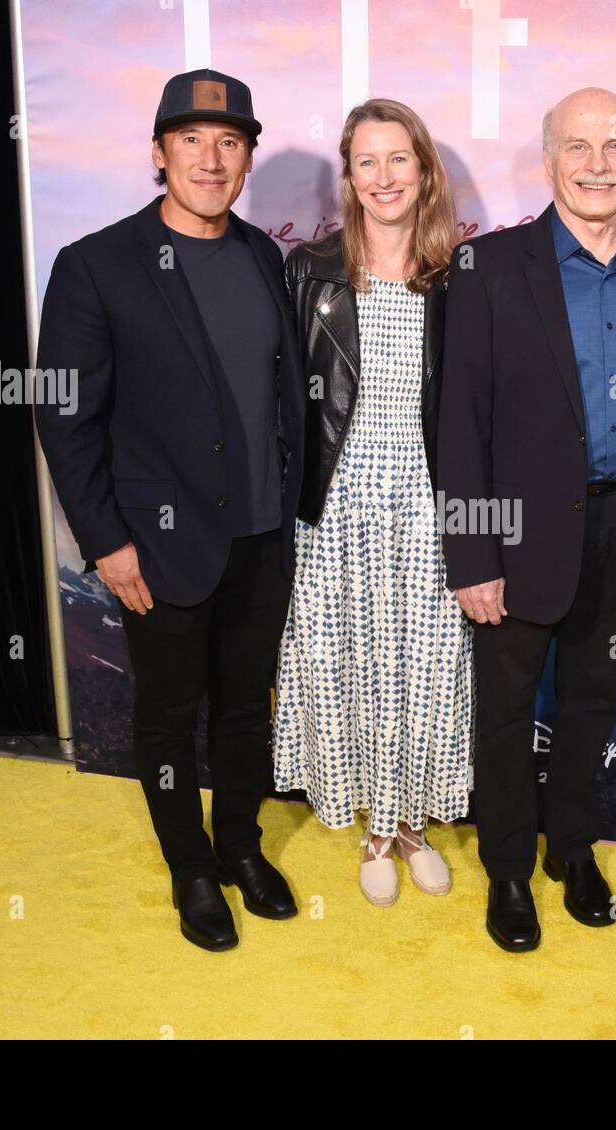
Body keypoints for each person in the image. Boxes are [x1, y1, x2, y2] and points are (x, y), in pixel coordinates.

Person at [34, 69, 305, 951]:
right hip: (156, 545)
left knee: (242, 711)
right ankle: (189, 868)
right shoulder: (96, 264)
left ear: (247, 157)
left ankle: (238, 847)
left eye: (229, 142)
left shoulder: (266, 256)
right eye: (190, 139)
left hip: (262, 536)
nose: (211, 157)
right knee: (165, 716)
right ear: (159, 153)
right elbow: (64, 417)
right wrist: (106, 540)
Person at [438, 87, 616, 952]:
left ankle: (574, 849)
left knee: (594, 701)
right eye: (579, 146)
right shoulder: (492, 267)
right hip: (513, 536)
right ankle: (510, 870)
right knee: (508, 710)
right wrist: (472, 553)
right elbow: (459, 421)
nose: (598, 163)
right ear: (549, 161)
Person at [272, 99, 472, 907]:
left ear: (424, 170)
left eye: (401, 160)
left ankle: (411, 822)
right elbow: (285, 399)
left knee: (422, 663)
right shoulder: (311, 271)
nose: (385, 177)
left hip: (426, 504)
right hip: (338, 501)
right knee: (352, 658)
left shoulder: (458, 276)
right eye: (368, 162)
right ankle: (374, 828)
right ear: (348, 176)